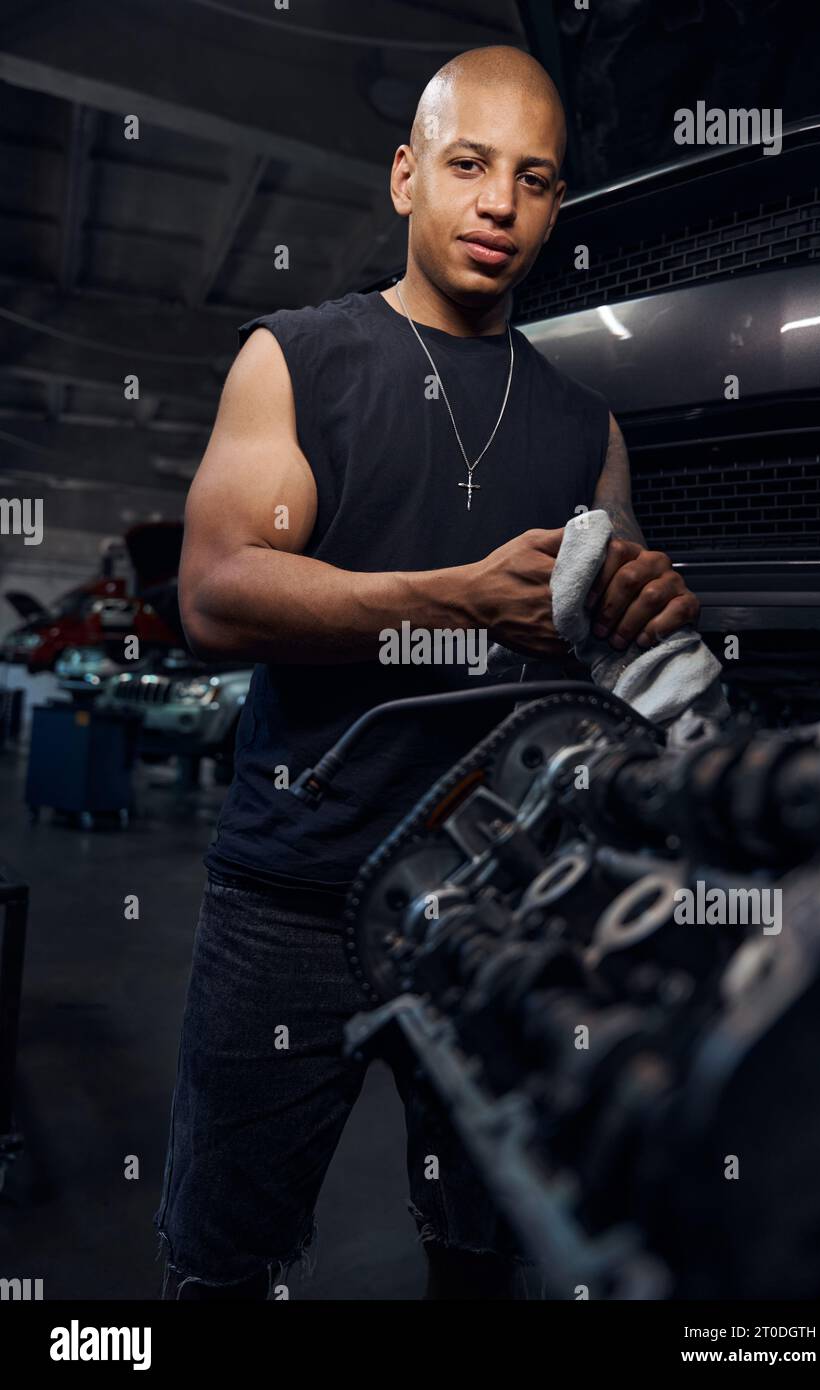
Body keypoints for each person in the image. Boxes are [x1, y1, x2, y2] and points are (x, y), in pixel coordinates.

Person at [154, 44, 699, 1301]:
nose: (499, 204)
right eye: (467, 166)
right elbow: (216, 593)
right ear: (406, 176)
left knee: (491, 1252)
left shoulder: (584, 426)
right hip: (293, 895)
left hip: (503, 902)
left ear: (556, 203)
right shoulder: (295, 358)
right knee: (220, 1257)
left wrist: (652, 621)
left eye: (535, 179)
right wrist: (449, 601)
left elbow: (613, 675)